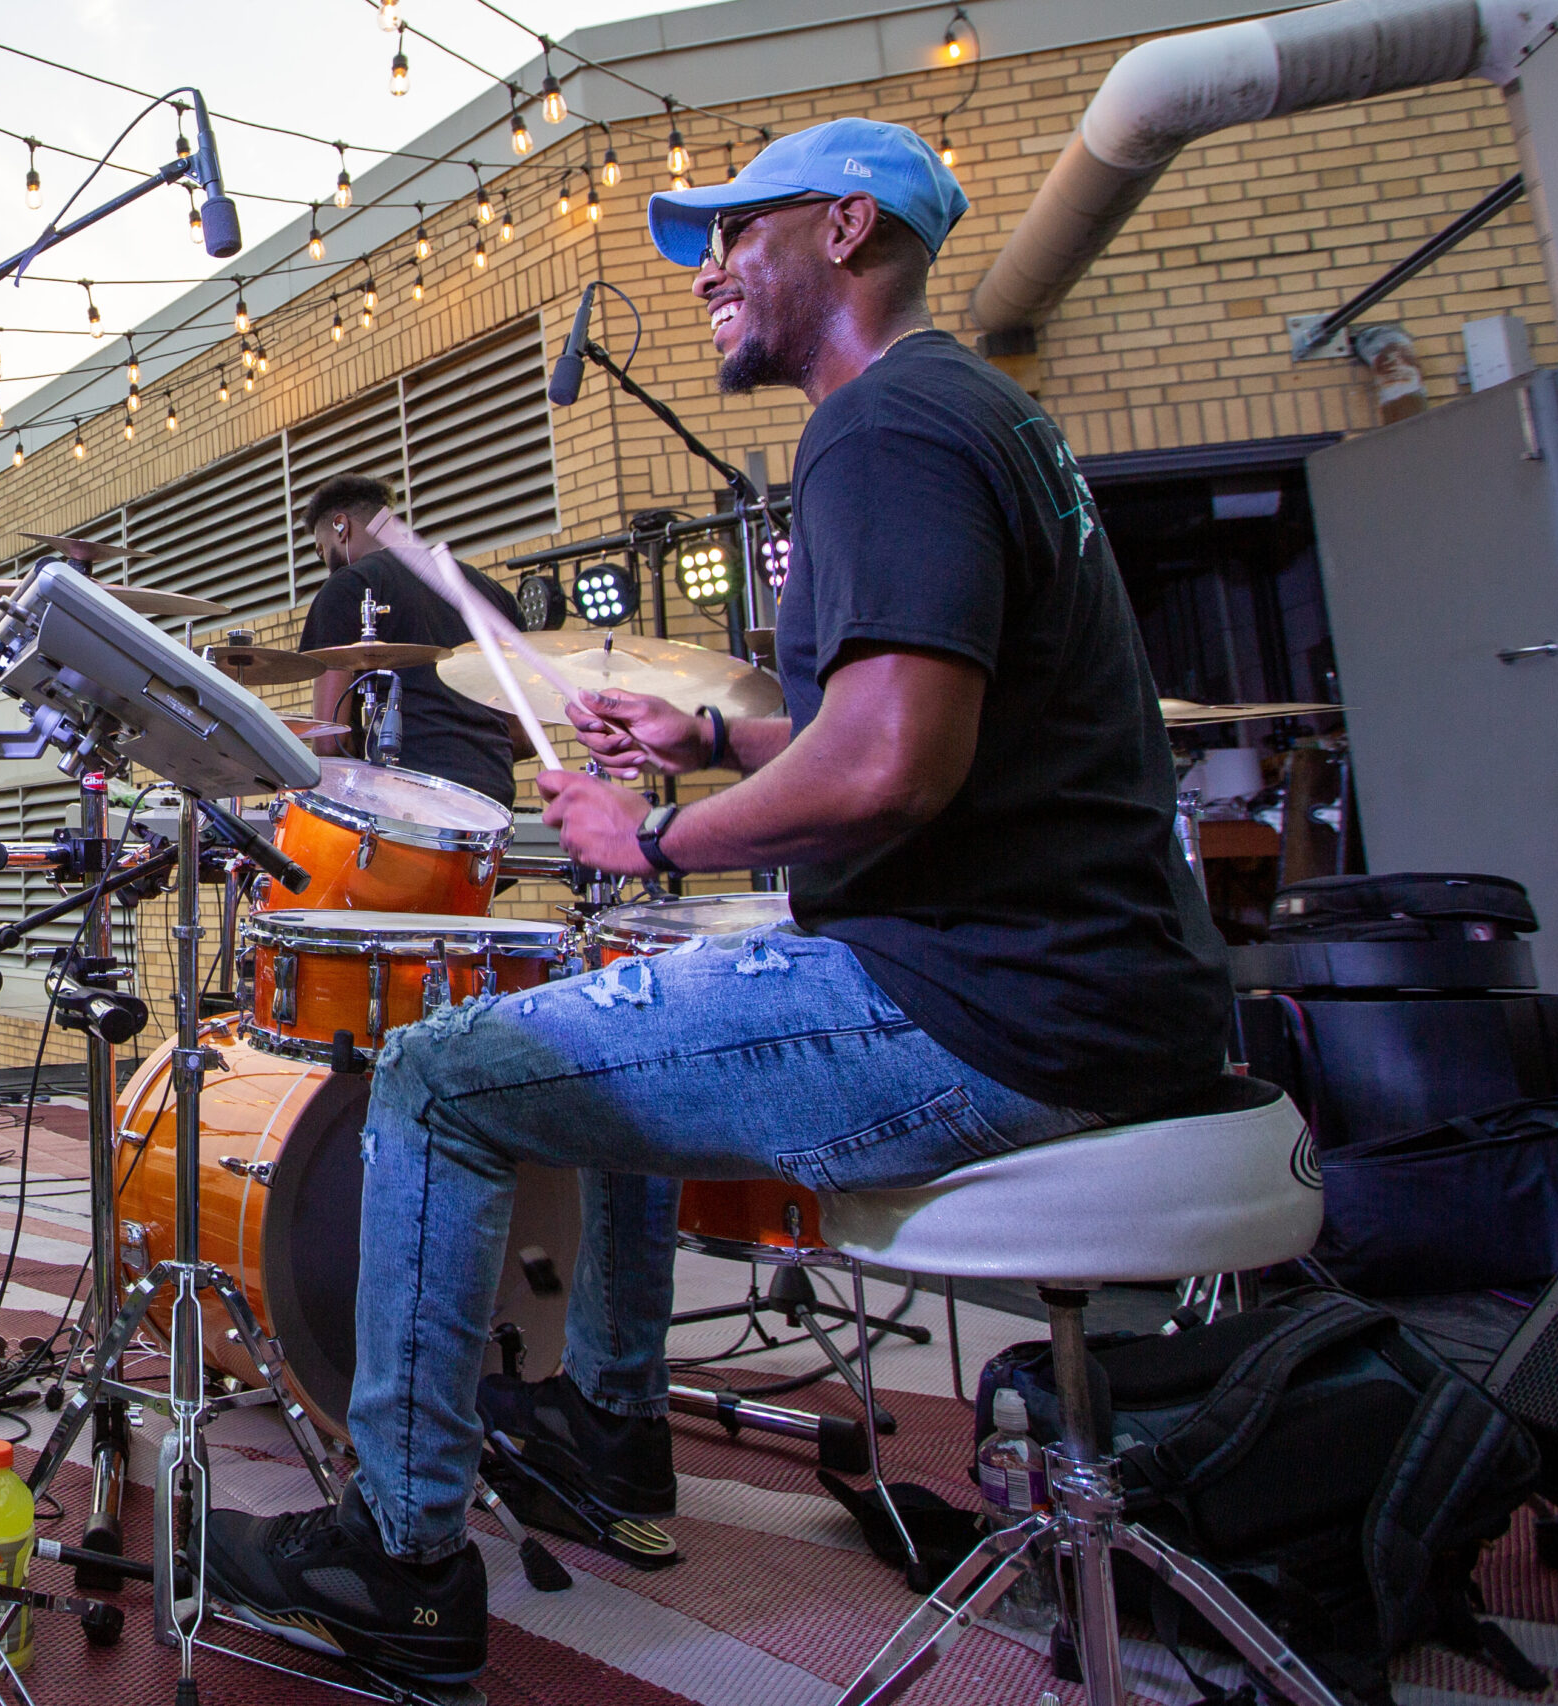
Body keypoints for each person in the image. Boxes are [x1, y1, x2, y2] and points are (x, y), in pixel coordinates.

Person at [207, 118, 1231, 1683]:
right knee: (624, 1003)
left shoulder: (883, 428)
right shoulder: (976, 413)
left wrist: (653, 834)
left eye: (734, 235)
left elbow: (888, 767)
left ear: (844, 228)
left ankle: (398, 1561)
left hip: (985, 1009)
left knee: (433, 1076)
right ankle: (610, 1427)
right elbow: (914, 721)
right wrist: (711, 740)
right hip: (1090, 989)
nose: (704, 274)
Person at [296, 474, 525, 807]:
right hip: (491, 796)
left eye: (322, 551)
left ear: (341, 526)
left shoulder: (350, 585)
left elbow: (330, 742)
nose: (326, 563)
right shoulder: (491, 593)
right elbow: (522, 737)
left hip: (403, 800)